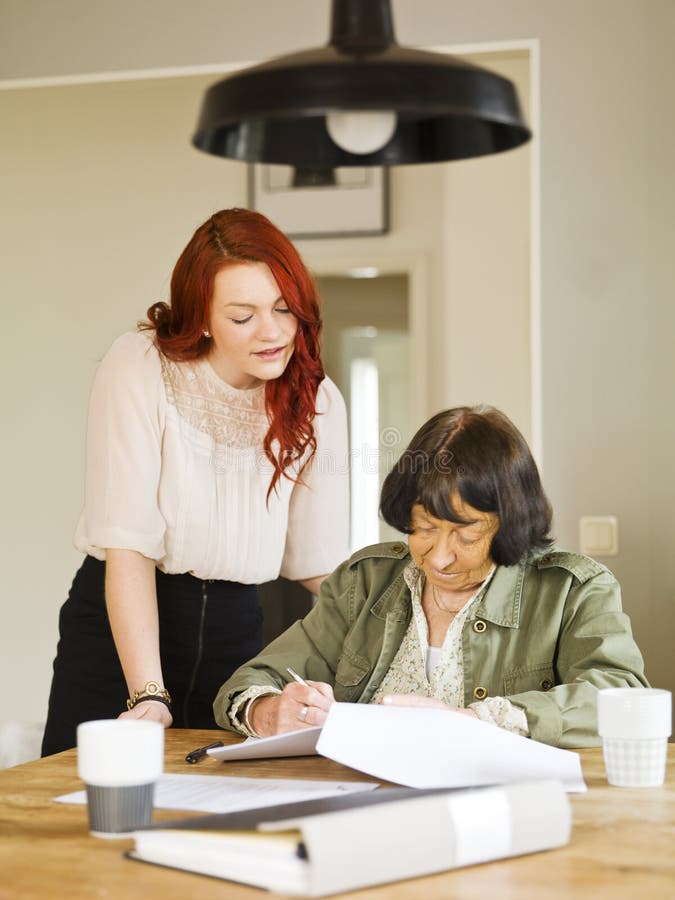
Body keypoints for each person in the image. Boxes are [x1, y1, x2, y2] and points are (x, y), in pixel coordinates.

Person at [41, 208, 349, 756]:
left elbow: (317, 563)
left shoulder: (317, 401)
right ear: (202, 317)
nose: (272, 331)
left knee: (221, 806)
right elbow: (128, 548)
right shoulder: (140, 366)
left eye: (283, 308)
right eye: (242, 315)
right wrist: (148, 694)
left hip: (236, 634)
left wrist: (407, 620)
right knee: (87, 808)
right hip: (124, 627)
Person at [214, 405, 648, 748]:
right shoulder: (365, 581)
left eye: (466, 533)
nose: (439, 557)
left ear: (511, 519)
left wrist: (475, 721)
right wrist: (269, 712)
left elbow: (622, 700)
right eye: (423, 528)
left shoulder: (572, 591)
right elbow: (252, 680)